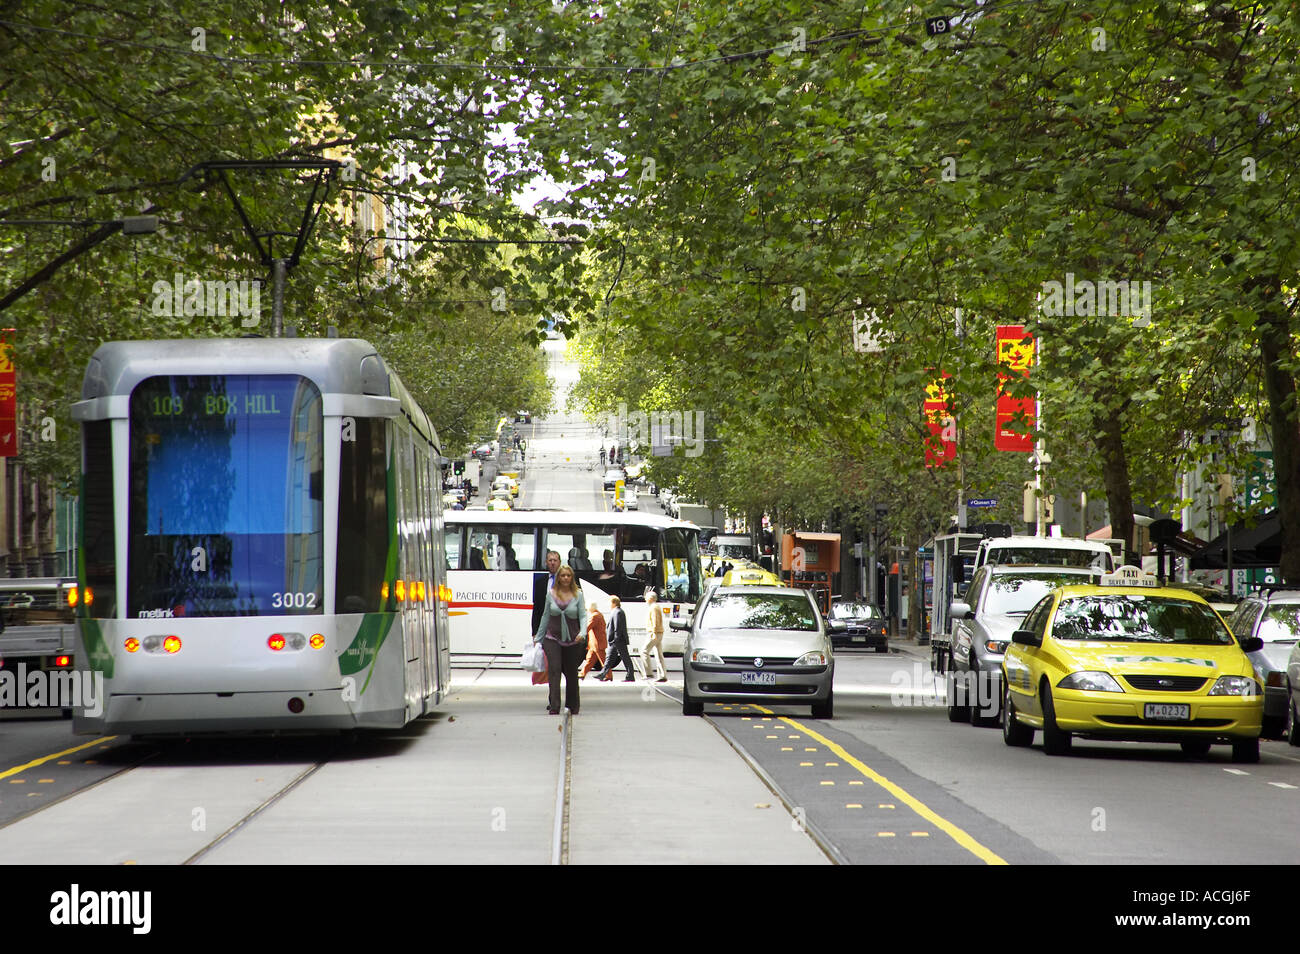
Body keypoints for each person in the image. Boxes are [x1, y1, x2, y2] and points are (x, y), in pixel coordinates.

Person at [533, 564, 587, 714]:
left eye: (568, 576)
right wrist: (539, 637)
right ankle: (555, 705)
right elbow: (545, 616)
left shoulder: (578, 595)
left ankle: (572, 705)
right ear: (558, 578)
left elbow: (583, 616)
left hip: (573, 638)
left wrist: (583, 632)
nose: (565, 578)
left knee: (571, 672)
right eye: (562, 575)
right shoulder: (551, 594)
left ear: (572, 578)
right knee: (555, 670)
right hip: (552, 637)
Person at [595, 596, 635, 681]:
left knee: (624, 658)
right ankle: (603, 674)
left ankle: (630, 676)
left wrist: (615, 639)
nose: (608, 605)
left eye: (609, 603)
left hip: (617, 640)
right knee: (610, 658)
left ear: (613, 603)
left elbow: (618, 627)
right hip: (616, 640)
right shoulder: (616, 611)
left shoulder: (617, 612)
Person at [641, 589, 668, 683]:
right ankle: (662, 675)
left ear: (651, 598)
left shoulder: (653, 607)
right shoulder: (656, 606)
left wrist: (653, 632)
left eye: (646, 597)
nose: (645, 599)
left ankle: (648, 674)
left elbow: (655, 621)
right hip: (658, 632)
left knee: (644, 651)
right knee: (658, 654)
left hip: (654, 633)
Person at [580, 600, 608, 678]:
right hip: (595, 643)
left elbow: (588, 627)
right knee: (590, 659)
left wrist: (580, 634)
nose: (587, 610)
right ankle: (582, 674)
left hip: (597, 643)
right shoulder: (599, 614)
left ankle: (608, 675)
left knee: (603, 660)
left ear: (590, 608)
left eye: (587, 608)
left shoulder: (594, 616)